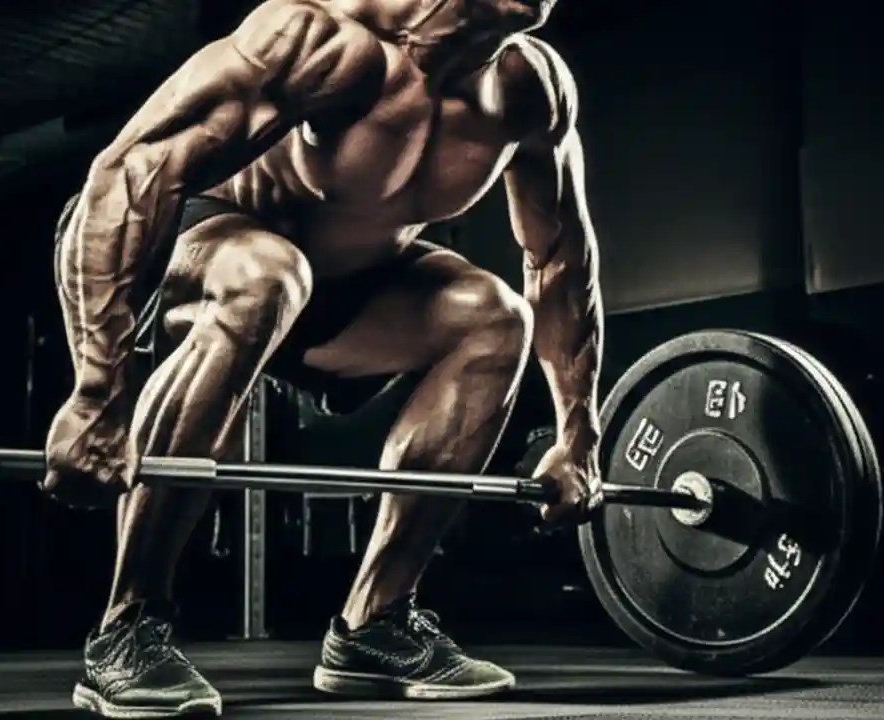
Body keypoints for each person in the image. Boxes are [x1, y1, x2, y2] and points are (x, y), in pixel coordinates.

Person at [44, 0, 604, 716]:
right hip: (204, 245)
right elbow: (130, 175)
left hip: (343, 290)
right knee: (268, 275)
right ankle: (127, 629)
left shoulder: (532, 88)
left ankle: (374, 625)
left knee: (495, 318)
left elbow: (560, 261)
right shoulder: (317, 37)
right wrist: (97, 395)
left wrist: (577, 438)